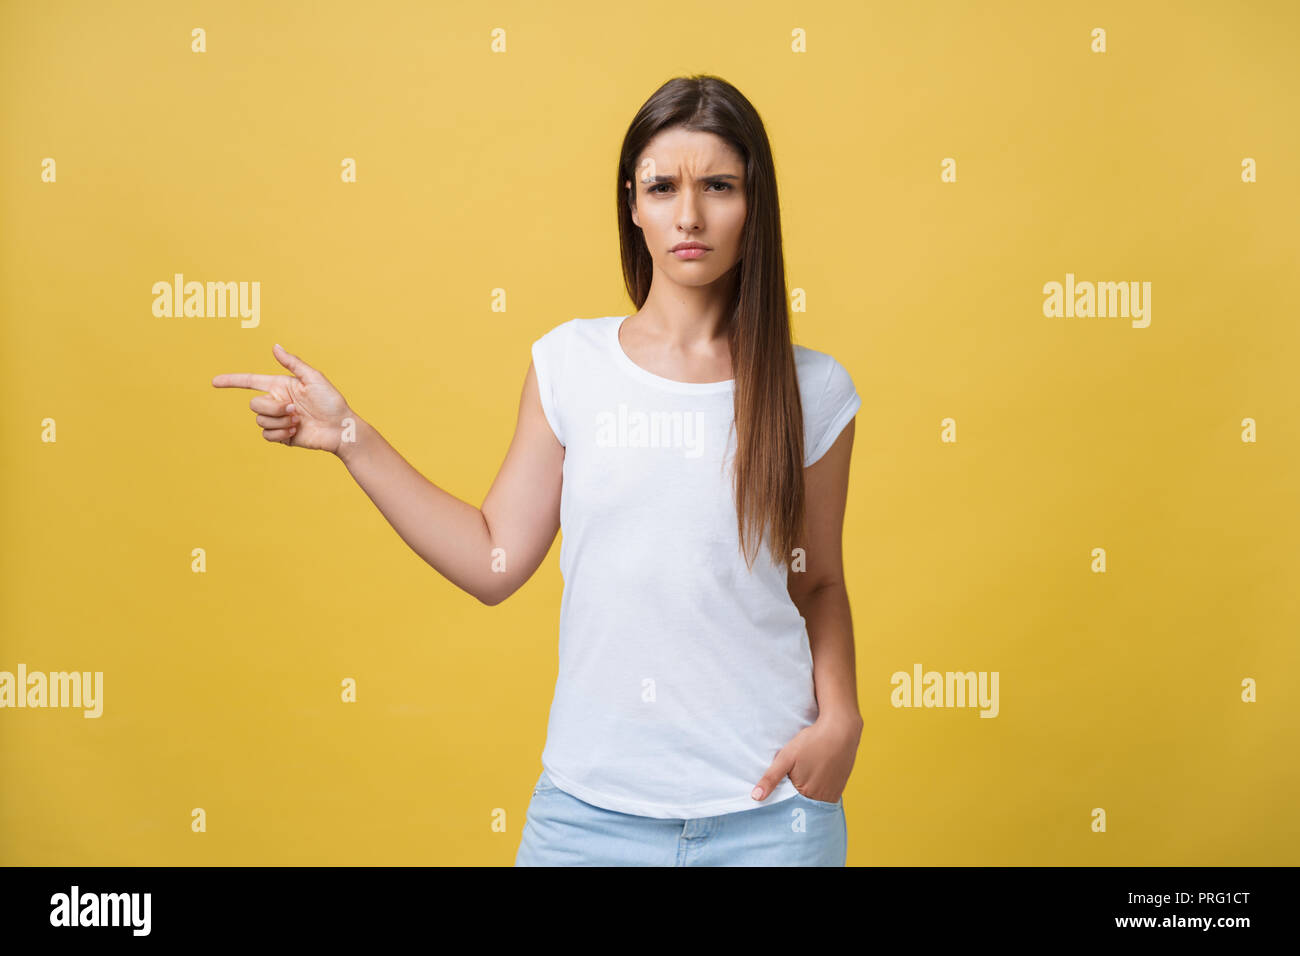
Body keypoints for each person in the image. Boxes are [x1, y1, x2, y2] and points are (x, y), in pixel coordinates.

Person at [212, 74, 863, 866]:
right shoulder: (569, 365)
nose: (688, 215)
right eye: (663, 187)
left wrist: (842, 721)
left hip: (772, 815)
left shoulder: (814, 388)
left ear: (752, 202)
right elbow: (493, 560)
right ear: (633, 202)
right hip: (590, 822)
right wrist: (351, 436)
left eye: (718, 186)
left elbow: (817, 580)